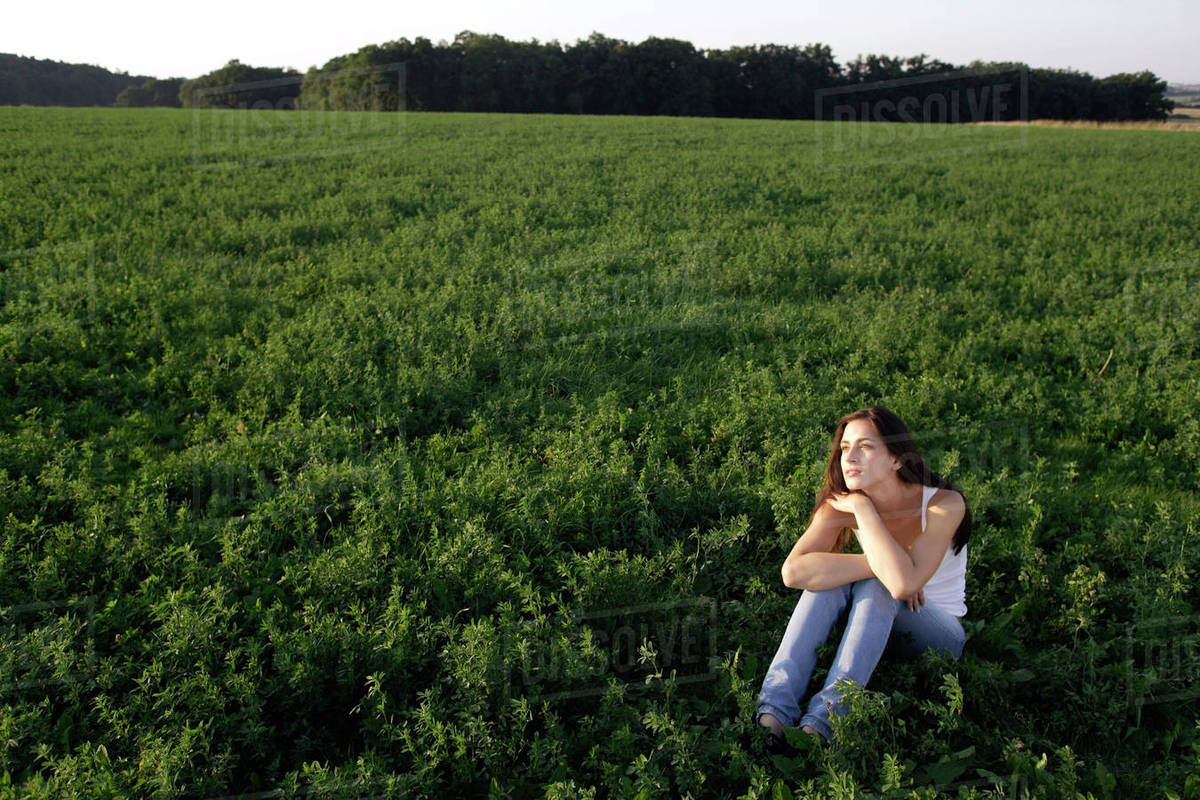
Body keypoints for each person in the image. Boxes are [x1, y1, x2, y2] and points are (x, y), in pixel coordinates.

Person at [756, 405, 970, 751]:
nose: (850, 457)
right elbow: (793, 572)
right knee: (835, 579)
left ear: (897, 459)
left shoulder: (943, 504)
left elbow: (902, 586)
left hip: (938, 634)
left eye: (865, 447)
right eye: (844, 448)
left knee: (879, 583)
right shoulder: (844, 504)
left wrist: (866, 513)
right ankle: (773, 715)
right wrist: (878, 556)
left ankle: (823, 724)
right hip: (878, 623)